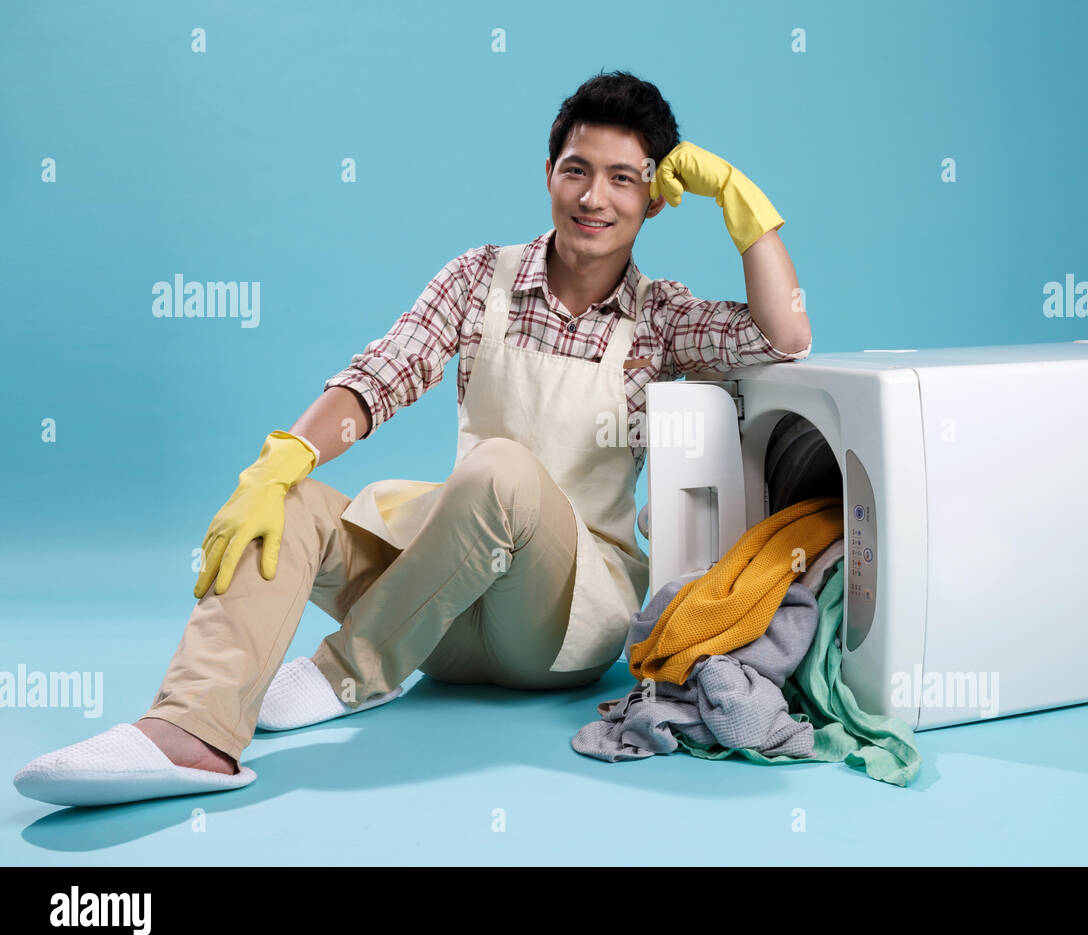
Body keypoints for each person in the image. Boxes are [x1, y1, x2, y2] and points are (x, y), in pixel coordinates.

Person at [13, 70, 813, 807]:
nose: (593, 196)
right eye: (576, 169)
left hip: (556, 626)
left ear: (656, 199)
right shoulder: (478, 280)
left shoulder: (662, 318)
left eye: (622, 178)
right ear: (547, 174)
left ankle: (351, 670)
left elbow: (784, 338)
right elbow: (384, 371)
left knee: (502, 469)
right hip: (441, 603)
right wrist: (284, 457)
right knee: (288, 507)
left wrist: (737, 197)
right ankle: (190, 734)